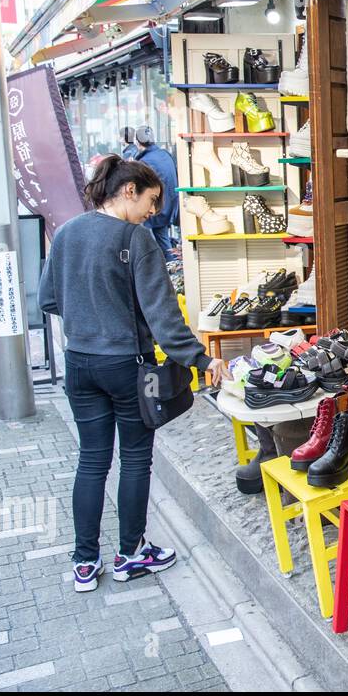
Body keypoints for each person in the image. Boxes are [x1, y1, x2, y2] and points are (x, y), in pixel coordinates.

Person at [39, 155, 229, 593]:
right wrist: (203, 360)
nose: (154, 211)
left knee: (91, 461)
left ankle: (85, 562)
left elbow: (48, 300)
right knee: (136, 459)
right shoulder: (136, 238)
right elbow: (164, 318)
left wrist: (89, 316)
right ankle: (131, 554)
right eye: (151, 200)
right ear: (128, 191)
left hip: (79, 363)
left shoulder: (67, 232)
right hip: (127, 366)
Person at [129, 125, 179, 255]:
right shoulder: (165, 154)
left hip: (158, 210)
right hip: (172, 207)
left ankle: (169, 268)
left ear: (137, 142)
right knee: (163, 240)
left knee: (154, 243)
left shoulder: (144, 162)